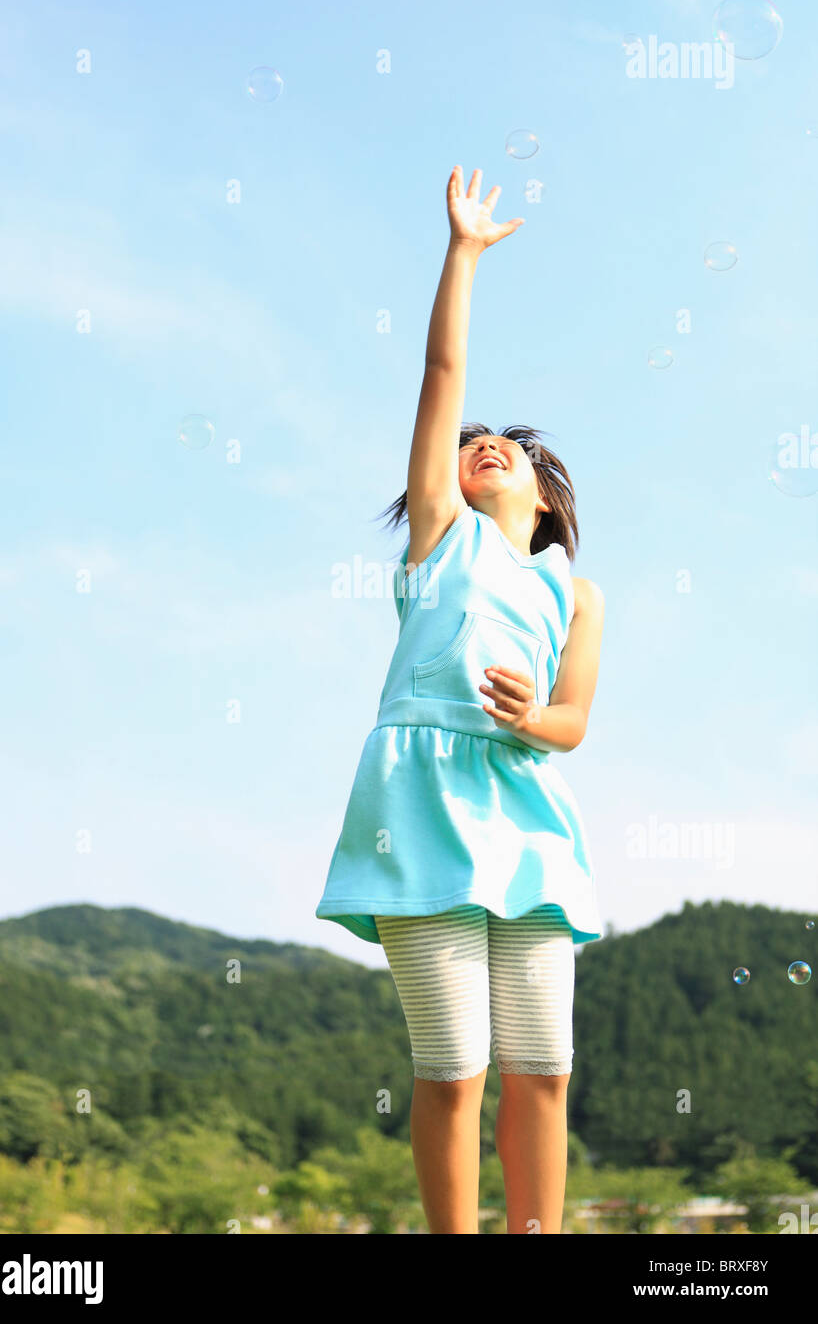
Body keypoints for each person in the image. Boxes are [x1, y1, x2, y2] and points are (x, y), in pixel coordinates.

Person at [316, 165, 605, 1234]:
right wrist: (463, 254)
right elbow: (442, 370)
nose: (488, 445)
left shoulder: (575, 594)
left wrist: (532, 717)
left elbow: (572, 723)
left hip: (525, 815)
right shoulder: (438, 543)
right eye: (473, 444)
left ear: (545, 497)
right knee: (453, 1066)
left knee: (542, 1065)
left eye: (514, 449)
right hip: (419, 807)